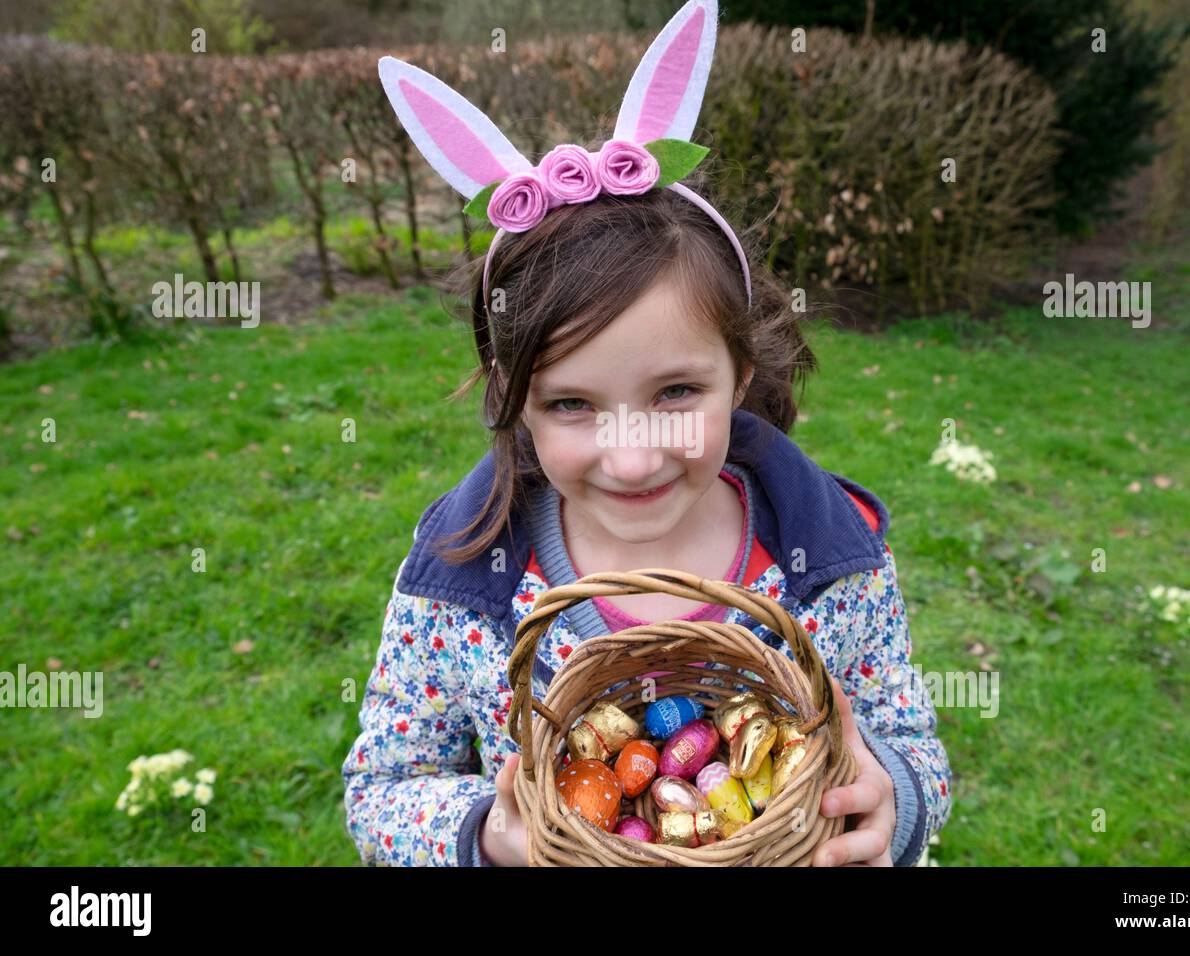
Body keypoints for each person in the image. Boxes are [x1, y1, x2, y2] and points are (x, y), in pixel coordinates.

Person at [342, 0, 951, 867]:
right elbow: (380, 791)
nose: (630, 454)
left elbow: (910, 740)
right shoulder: (464, 580)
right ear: (514, 402)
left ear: (740, 372)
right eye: (570, 405)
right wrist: (491, 836)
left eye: (674, 392)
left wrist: (894, 793)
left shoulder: (829, 561)